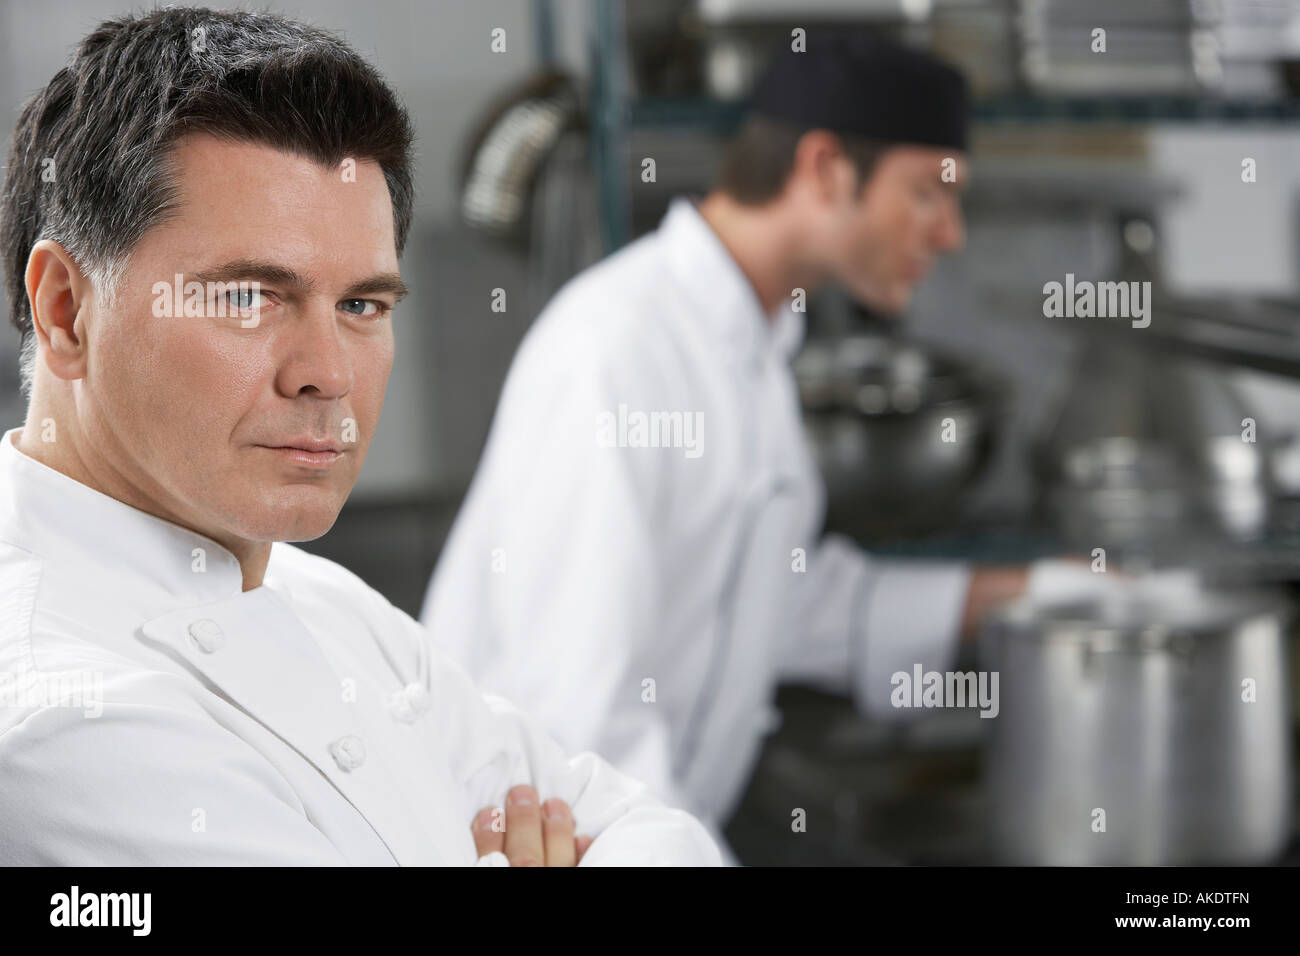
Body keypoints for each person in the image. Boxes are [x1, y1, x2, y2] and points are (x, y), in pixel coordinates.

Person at [0, 8, 720, 867]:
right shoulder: (58, 716)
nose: (327, 374)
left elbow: (661, 835)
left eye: (360, 306)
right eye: (246, 297)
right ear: (66, 311)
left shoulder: (325, 602)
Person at [421, 32, 1101, 862]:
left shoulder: (759, 352)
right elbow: (576, 718)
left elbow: (774, 606)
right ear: (823, 167)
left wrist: (1033, 589)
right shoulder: (616, 349)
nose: (950, 233)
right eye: (929, 192)